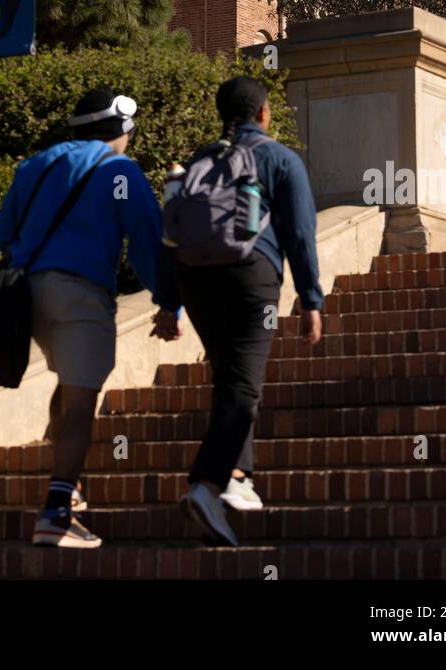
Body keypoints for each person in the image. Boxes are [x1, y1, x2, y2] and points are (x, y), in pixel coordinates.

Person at [0, 87, 180, 550]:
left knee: (66, 386)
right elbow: (145, 241)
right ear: (118, 130)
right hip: (80, 294)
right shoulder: (121, 170)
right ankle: (56, 514)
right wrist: (169, 303)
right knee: (81, 403)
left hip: (24, 295)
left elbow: (4, 235)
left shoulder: (35, 165)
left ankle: (68, 489)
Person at [157, 74, 323, 547]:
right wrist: (311, 300)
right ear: (264, 113)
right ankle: (206, 487)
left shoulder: (202, 159)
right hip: (252, 277)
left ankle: (236, 473)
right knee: (244, 385)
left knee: (230, 378)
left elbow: (172, 230)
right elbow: (300, 234)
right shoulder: (279, 158)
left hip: (196, 281)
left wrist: (170, 303)